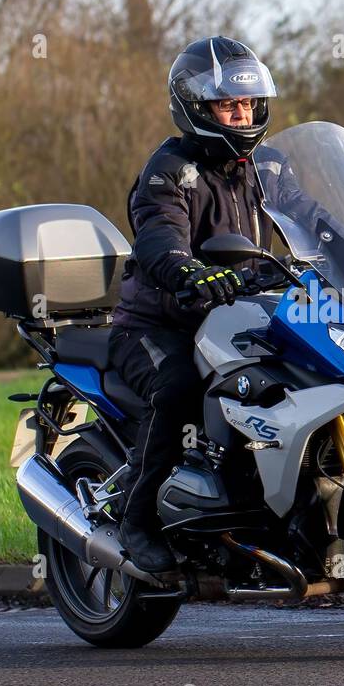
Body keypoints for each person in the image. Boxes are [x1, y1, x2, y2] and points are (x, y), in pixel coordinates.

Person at [107, 36, 283, 575]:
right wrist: (188, 271)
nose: (242, 115)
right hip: (157, 325)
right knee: (180, 386)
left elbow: (321, 219)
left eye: (249, 104)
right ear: (197, 108)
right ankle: (136, 522)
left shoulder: (267, 169)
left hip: (238, 318)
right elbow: (160, 236)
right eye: (230, 105)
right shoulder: (170, 170)